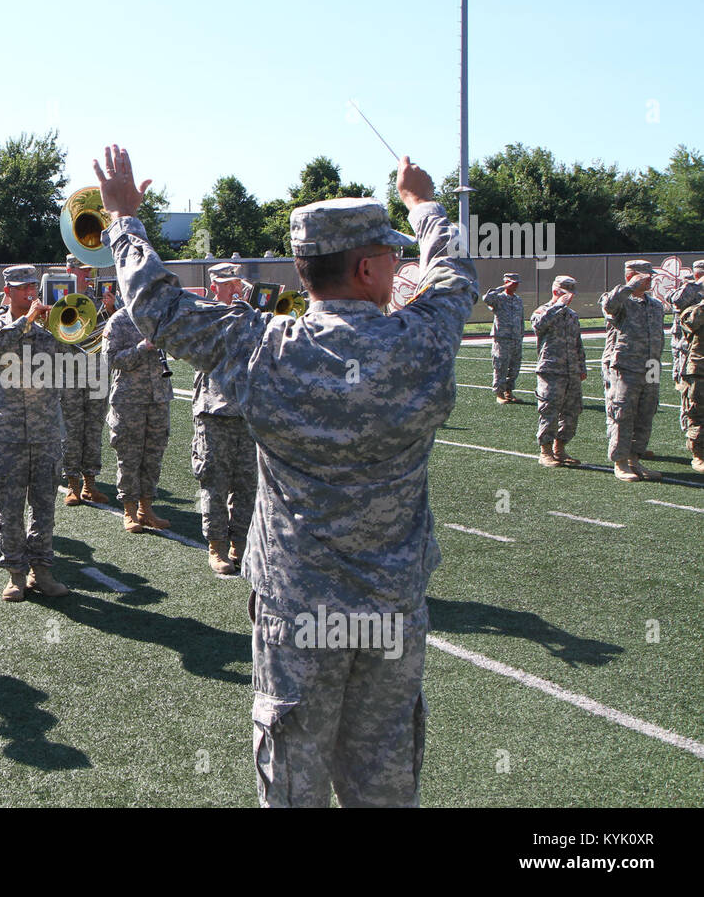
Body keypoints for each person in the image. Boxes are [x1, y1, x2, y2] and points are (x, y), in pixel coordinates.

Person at [94, 144, 475, 807]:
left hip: (298, 610)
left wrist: (125, 220)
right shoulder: (422, 339)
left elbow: (158, 309)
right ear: (365, 267)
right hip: (390, 608)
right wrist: (424, 206)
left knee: (293, 783)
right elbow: (455, 273)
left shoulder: (267, 346)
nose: (399, 263)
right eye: (389, 254)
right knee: (383, 782)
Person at [0, 266, 69, 603]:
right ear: (8, 290)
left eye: (32, 287)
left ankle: (41, 570)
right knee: (9, 507)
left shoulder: (48, 327)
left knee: (44, 506)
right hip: (6, 432)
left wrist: (65, 324)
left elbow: (79, 359)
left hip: (45, 431)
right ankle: (15, 572)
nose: (30, 293)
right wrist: (25, 321)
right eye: (22, 288)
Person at [191, 262, 256, 574]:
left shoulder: (251, 317)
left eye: (235, 284)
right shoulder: (205, 316)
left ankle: (240, 543)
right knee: (214, 483)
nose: (232, 289)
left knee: (247, 484)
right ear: (214, 287)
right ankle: (216, 546)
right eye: (225, 284)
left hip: (247, 413)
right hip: (214, 412)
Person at [104, 299, 174, 533]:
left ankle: (146, 509)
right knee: (130, 455)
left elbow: (181, 350)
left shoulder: (159, 317)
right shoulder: (119, 320)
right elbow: (111, 360)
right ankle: (129, 510)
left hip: (159, 397)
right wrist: (142, 347)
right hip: (129, 399)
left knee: (153, 455)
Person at [600, 260, 666, 482]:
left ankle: (635, 460)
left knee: (646, 412)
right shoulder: (620, 302)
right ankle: (620, 463)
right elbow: (609, 306)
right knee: (623, 412)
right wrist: (629, 286)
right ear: (632, 276)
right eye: (646, 276)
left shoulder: (655, 305)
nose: (650, 279)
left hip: (651, 366)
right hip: (625, 366)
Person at [59, 256, 114, 506]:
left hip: (96, 369)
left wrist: (112, 308)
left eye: (89, 268)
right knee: (72, 430)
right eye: (83, 270)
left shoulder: (99, 296)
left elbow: (116, 327)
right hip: (68, 371)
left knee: (93, 427)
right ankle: (72, 484)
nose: (88, 273)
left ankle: (90, 483)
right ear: (69, 270)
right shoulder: (56, 296)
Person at [530, 276, 586, 468]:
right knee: (549, 410)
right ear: (557, 292)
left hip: (571, 371)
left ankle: (560, 449)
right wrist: (557, 306)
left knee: (572, 411)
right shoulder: (543, 310)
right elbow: (538, 325)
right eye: (567, 294)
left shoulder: (572, 315)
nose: (571, 298)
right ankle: (545, 451)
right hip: (551, 370)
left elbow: (578, 343)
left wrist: (582, 367)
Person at [668, 259, 704, 437]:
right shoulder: (689, 288)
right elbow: (676, 300)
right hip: (687, 351)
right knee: (689, 393)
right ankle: (689, 430)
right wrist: (697, 284)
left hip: (699, 348)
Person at [482, 272, 525, 404]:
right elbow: (486, 298)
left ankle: (509, 391)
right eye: (513, 283)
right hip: (502, 338)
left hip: (516, 338)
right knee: (501, 366)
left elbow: (521, 318)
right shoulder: (499, 298)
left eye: (517, 283)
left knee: (515, 367)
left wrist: (521, 334)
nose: (516, 285)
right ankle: (499, 393)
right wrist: (502, 287)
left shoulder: (518, 300)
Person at [677, 289, 704, 472]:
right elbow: (691, 323)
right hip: (699, 371)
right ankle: (699, 455)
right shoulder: (694, 311)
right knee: (698, 413)